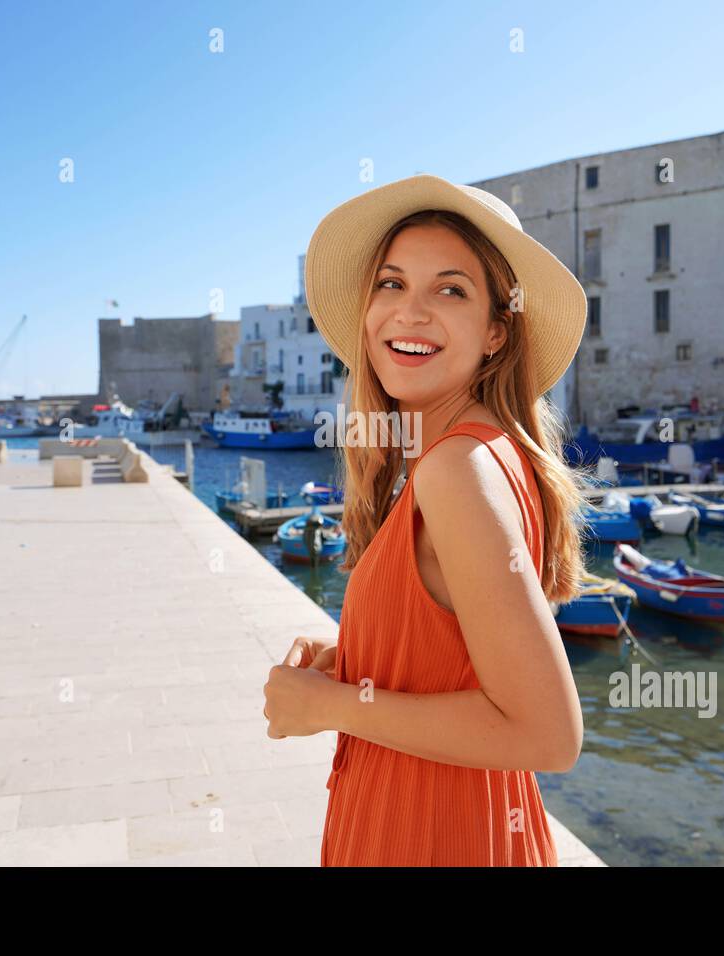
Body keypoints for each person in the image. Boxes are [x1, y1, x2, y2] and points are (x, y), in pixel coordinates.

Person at [262, 174, 589, 866]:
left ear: (497, 332)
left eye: (450, 289)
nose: (409, 312)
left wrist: (332, 708)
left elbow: (548, 733)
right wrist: (360, 662)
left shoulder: (454, 470)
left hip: (433, 835)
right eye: (390, 284)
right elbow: (460, 650)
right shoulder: (480, 453)